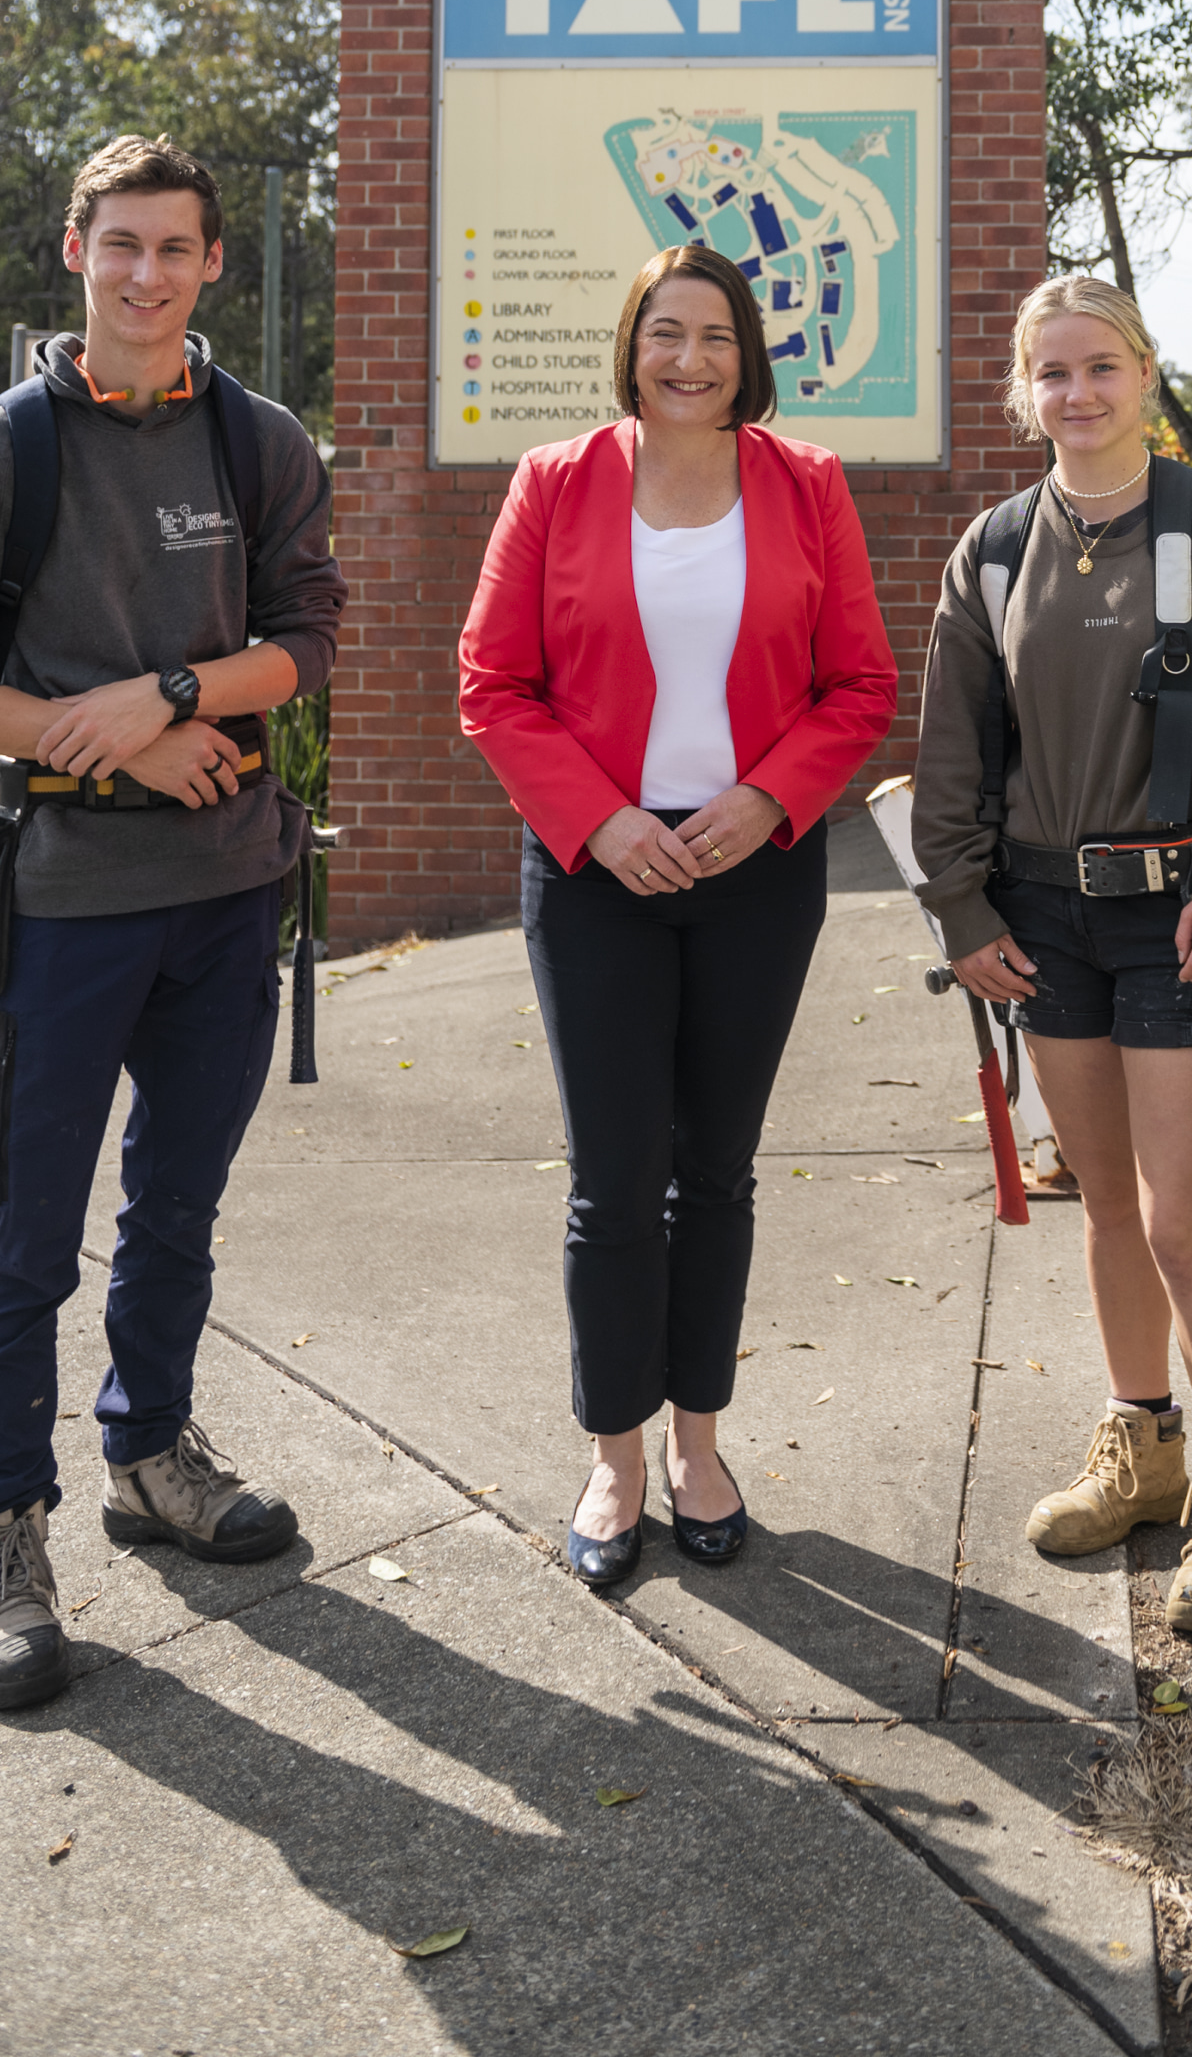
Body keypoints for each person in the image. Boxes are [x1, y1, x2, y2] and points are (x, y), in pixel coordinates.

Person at [0, 136, 345, 1715]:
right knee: (27, 1241)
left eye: (176, 249)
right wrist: (116, 744)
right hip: (66, 905)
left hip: (228, 896)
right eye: (121, 244)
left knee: (178, 1210)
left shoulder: (260, 440)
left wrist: (166, 703)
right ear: (76, 249)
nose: (147, 274)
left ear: (212, 265)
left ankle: (150, 1454)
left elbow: (305, 637)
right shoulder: (0, 456)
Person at [459, 240, 897, 1589]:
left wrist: (768, 803)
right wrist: (601, 820)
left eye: (712, 335)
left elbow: (861, 687)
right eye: (664, 333)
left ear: (745, 353)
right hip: (599, 876)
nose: (689, 359)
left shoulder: (808, 484)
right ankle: (616, 1459)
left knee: (714, 1172)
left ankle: (701, 1444)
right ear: (631, 346)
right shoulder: (555, 483)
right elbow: (494, 685)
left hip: (757, 878)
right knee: (612, 1183)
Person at [911, 275, 1192, 1636]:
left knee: (1178, 1222)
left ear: (1145, 374)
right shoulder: (992, 549)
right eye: (1052, 374)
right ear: (1023, 391)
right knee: (1102, 1206)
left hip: (1183, 920)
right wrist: (964, 913)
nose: (1076, 394)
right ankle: (1141, 1444)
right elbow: (955, 752)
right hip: (1044, 925)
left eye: (1101, 368)